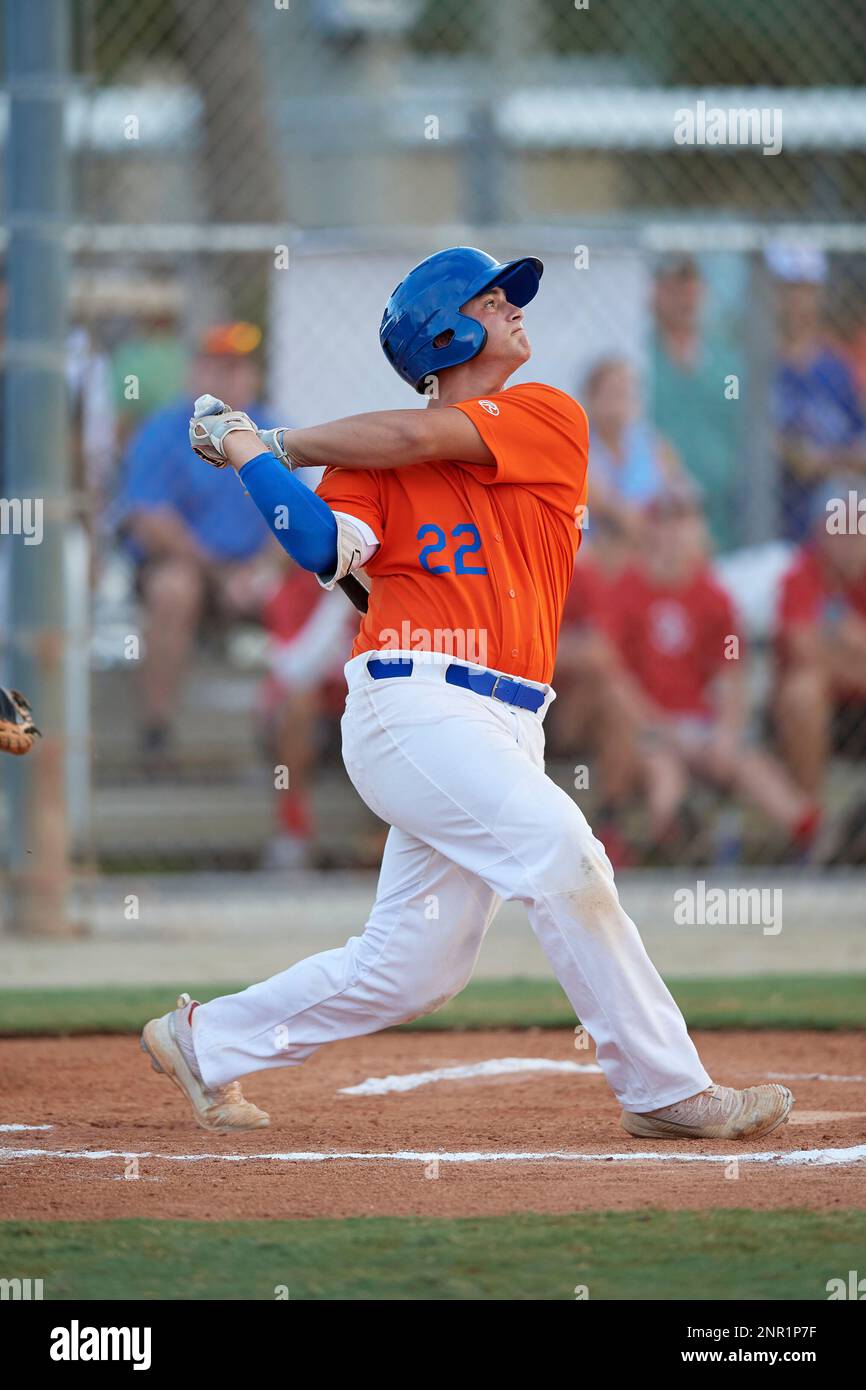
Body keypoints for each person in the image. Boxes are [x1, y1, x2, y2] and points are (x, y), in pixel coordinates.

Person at [141, 246, 793, 1142]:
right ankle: (666, 1089)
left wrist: (269, 439)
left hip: (509, 719)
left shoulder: (550, 414)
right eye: (492, 301)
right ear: (444, 333)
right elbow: (319, 548)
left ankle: (204, 1039)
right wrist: (258, 464)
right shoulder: (367, 465)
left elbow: (419, 435)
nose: (516, 310)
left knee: (415, 969)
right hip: (411, 706)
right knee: (567, 850)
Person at [602, 483, 821, 857]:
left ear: (699, 531)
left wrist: (727, 730)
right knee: (663, 774)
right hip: (649, 727)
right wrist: (658, 726)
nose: (674, 535)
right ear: (649, 532)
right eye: (665, 524)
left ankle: (809, 836)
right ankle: (670, 849)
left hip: (700, 726)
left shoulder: (714, 597)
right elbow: (613, 675)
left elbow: (731, 671)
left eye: (684, 523)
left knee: (748, 765)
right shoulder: (626, 590)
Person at [115, 324, 275, 756]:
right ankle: (156, 731)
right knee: (173, 590)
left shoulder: (275, 429)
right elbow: (148, 519)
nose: (229, 378)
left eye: (238, 368)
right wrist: (217, 572)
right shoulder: (164, 430)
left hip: (251, 570)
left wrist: (263, 567)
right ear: (196, 373)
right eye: (217, 367)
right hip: (188, 567)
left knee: (323, 586)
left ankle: (305, 732)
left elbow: (303, 510)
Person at [259, 561, 359, 870]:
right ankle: (293, 830)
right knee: (299, 704)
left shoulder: (389, 582)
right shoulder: (296, 583)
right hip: (307, 718)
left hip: (361, 709)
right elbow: (294, 668)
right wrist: (343, 597)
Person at [774, 480, 866, 800]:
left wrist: (848, 643)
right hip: (828, 710)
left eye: (858, 528)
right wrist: (851, 650)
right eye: (839, 528)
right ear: (819, 532)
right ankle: (811, 821)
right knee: (804, 691)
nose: (851, 540)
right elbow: (804, 653)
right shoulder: (802, 574)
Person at [770, 246, 866, 544]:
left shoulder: (838, 368)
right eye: (790, 289)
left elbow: (859, 438)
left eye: (807, 290)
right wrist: (788, 450)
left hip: (832, 516)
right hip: (773, 513)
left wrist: (824, 461)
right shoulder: (738, 370)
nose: (798, 301)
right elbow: (733, 410)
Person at [650, 255, 744, 553]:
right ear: (656, 294)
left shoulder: (726, 359)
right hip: (660, 507)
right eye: (673, 289)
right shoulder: (640, 357)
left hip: (724, 506)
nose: (684, 299)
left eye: (690, 288)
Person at [582, 356, 682, 545]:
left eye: (626, 392)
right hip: (601, 550)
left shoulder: (650, 441)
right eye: (613, 393)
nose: (621, 401)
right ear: (592, 399)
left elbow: (676, 486)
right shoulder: (580, 447)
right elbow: (605, 507)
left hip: (651, 547)